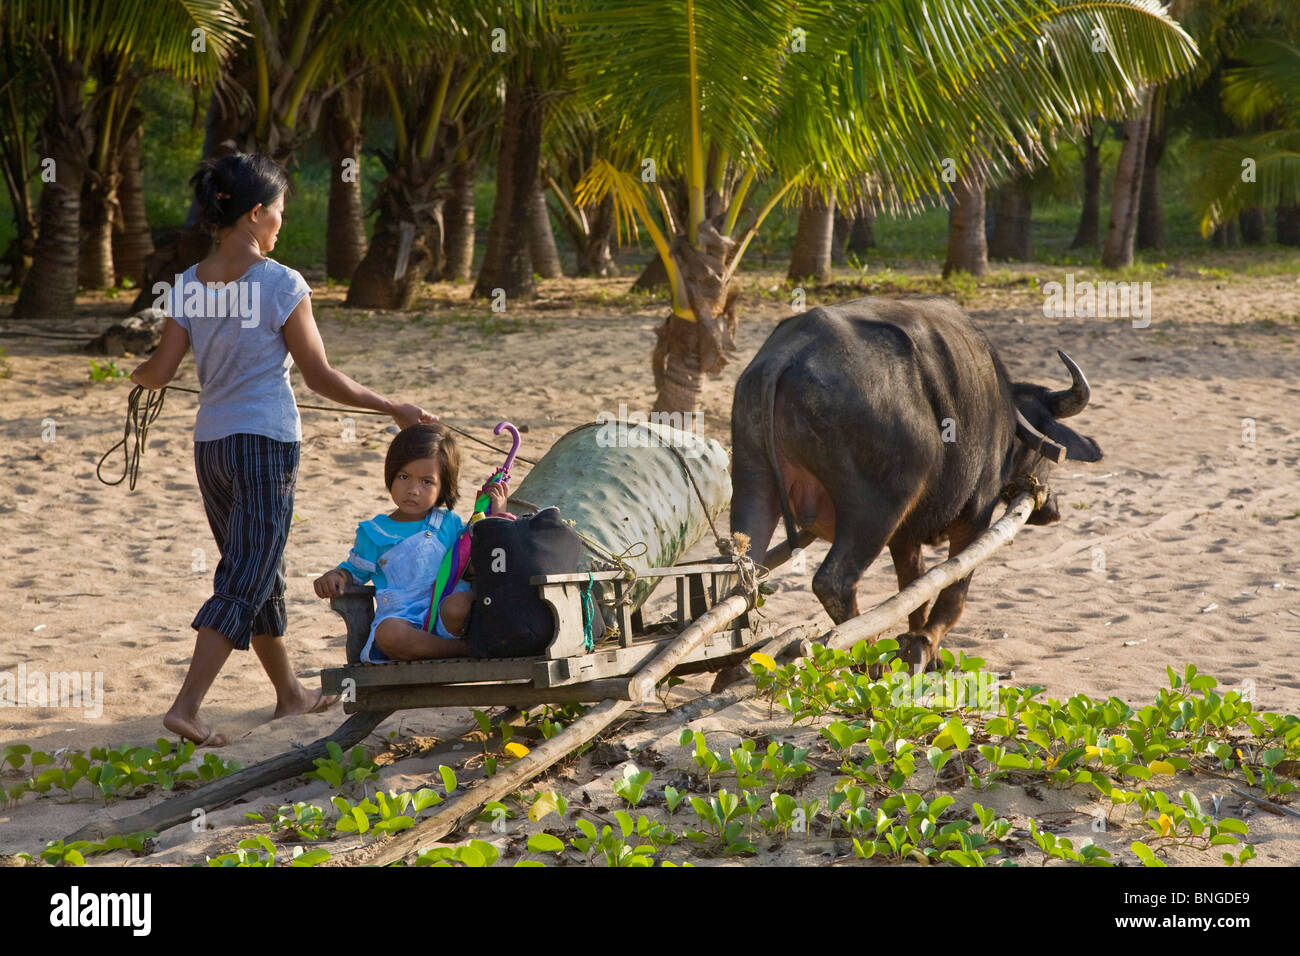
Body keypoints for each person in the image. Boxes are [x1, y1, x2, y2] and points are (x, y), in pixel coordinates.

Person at [129, 152, 438, 748]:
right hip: (266, 445)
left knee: (258, 567)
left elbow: (161, 371)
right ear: (252, 213)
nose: (280, 224)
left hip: (211, 448)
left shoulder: (188, 285)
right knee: (246, 573)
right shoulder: (281, 283)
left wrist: (135, 378)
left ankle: (289, 695)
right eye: (277, 212)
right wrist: (391, 407)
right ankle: (187, 707)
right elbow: (320, 376)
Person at [313, 424, 510, 662]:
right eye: (404, 477)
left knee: (459, 604)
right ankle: (461, 650)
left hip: (445, 619)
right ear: (391, 475)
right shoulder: (374, 532)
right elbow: (354, 572)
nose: (413, 490)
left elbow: (473, 558)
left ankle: (445, 645)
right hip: (402, 620)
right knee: (389, 634)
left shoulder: (449, 524)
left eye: (427, 482)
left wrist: (496, 515)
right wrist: (337, 575)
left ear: (443, 487)